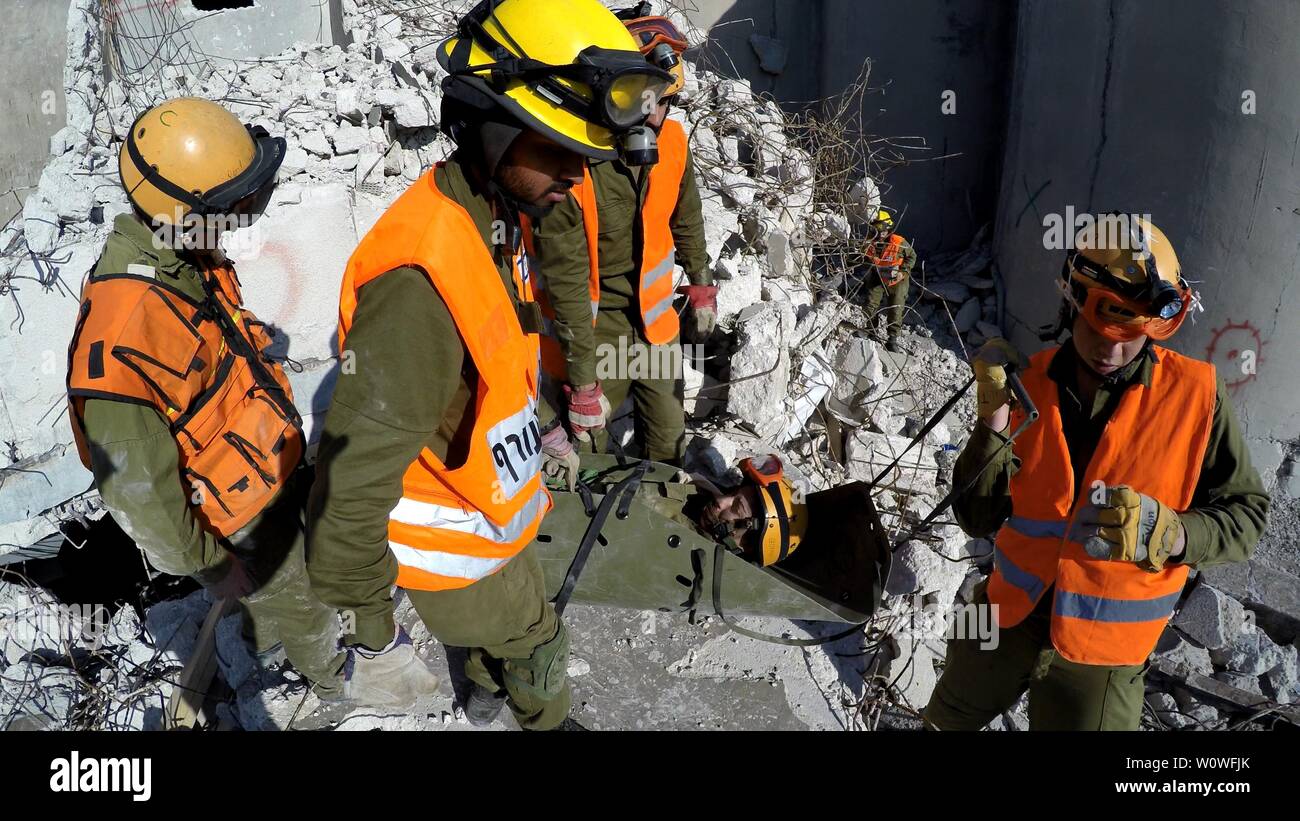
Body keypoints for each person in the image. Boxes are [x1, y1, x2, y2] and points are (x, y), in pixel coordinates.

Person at [306, 0, 673, 728]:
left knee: (496, 630)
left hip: (487, 512)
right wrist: (376, 641)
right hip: (454, 546)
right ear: (494, 126)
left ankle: (481, 690)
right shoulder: (419, 286)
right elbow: (344, 494)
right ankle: (546, 719)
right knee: (537, 632)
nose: (577, 175)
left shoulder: (494, 217)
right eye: (558, 149)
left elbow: (481, 372)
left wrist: (538, 430)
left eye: (589, 155)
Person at [923, 216, 1270, 730]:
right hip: (999, 618)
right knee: (942, 721)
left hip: (1103, 652)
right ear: (1071, 304)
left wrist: (1173, 533)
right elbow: (976, 517)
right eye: (1100, 327)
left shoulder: (1197, 397)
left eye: (1131, 334)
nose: (1112, 349)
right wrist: (992, 425)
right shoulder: (1029, 381)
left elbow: (1247, 517)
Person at [65, 97, 342, 696]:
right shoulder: (120, 342)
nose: (242, 222)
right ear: (182, 211)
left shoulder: (186, 257)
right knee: (292, 600)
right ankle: (322, 685)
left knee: (303, 572)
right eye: (233, 208)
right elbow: (140, 495)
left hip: (265, 463)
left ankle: (290, 639)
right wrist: (211, 567)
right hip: (234, 514)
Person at [528, 4, 711, 466]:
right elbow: (566, 276)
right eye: (647, 103)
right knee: (585, 445)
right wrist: (584, 382)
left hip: (653, 322)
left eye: (666, 103)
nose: (656, 119)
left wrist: (702, 281)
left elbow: (685, 215)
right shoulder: (574, 161)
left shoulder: (672, 143)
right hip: (595, 327)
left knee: (668, 440)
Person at [861, 208, 916, 352]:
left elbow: (912, 256)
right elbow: (861, 257)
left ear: (887, 229)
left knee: (895, 308)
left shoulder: (898, 242)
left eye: (881, 229)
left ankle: (892, 339)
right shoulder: (870, 242)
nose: (879, 233)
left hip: (897, 279)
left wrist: (903, 272)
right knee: (869, 303)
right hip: (877, 276)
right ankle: (870, 330)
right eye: (875, 229)